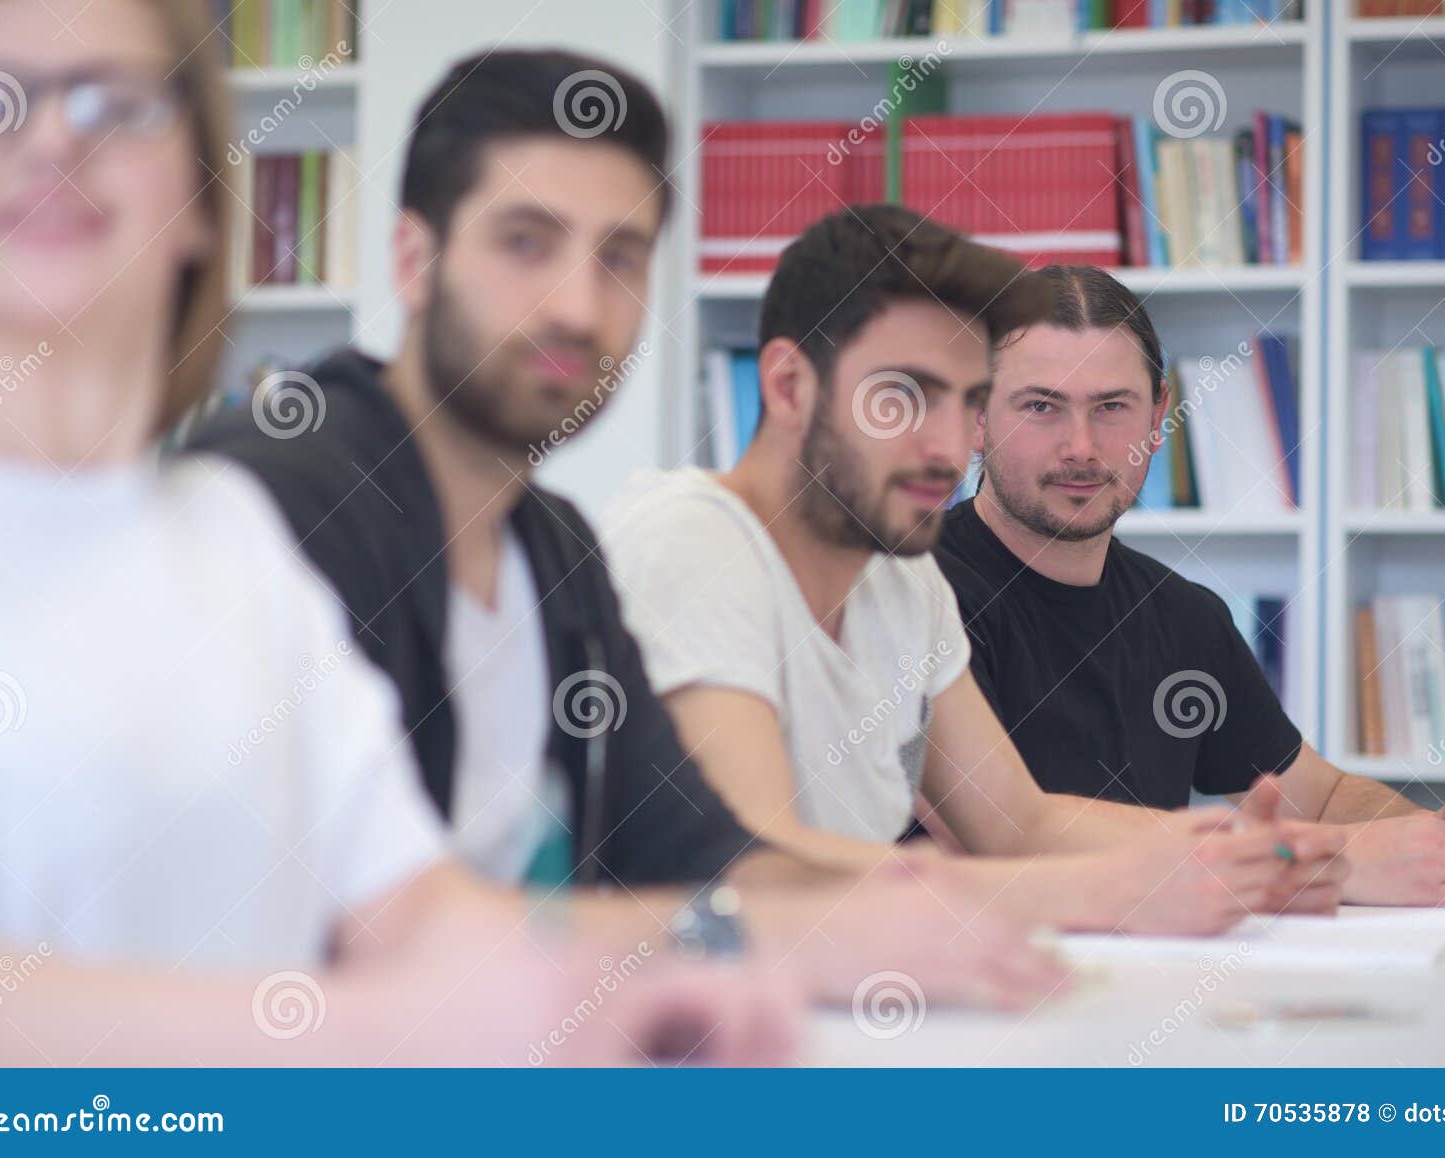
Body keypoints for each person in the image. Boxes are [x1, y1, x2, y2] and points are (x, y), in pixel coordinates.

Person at [0, 0, 797, 1065]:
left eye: (117, 105)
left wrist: (627, 990)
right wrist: (383, 1025)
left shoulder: (226, 535)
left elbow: (415, 912)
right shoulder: (291, 489)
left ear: (205, 197)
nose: (55, 139)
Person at [188, 48, 1068, 1008]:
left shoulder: (558, 553)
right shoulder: (270, 501)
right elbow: (365, 932)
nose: (577, 306)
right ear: (413, 259)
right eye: (526, 241)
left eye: (620, 257)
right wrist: (782, 931)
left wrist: (913, 913)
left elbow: (701, 855)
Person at [601, 204, 1351, 936]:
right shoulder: (690, 540)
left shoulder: (904, 578)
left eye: (967, 402)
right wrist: (1113, 888)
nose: (947, 445)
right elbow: (758, 864)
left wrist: (1232, 855)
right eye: (906, 396)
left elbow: (1019, 822)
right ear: (791, 386)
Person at [933, 263, 1445, 907]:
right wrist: (1331, 861)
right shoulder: (909, 595)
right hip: (969, 994)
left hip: (1149, 986)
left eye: (1111, 407)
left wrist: (1434, 839)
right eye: (1042, 406)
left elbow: (1317, 797)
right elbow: (997, 832)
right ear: (976, 414)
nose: (1082, 447)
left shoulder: (1185, 617)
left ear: (1158, 415)